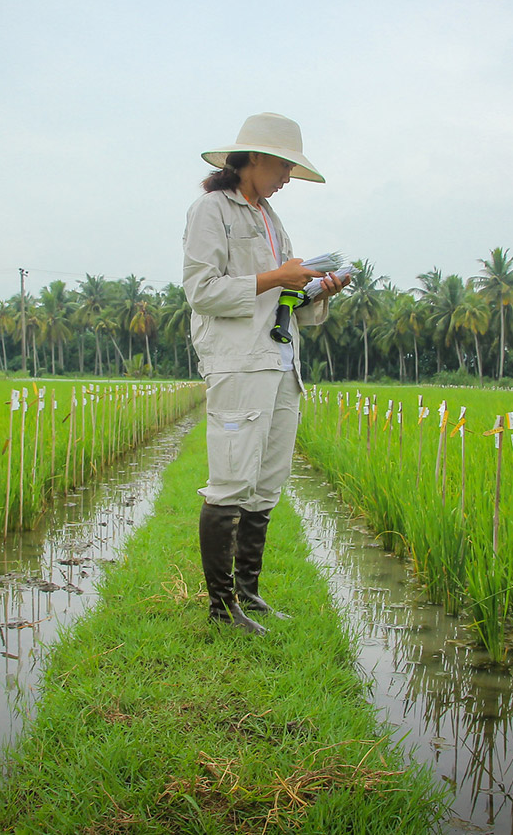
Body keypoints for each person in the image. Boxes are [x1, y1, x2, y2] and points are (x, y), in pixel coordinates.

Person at [181, 112, 348, 634]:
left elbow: (281, 299)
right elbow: (202, 292)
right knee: (230, 480)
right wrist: (278, 275)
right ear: (254, 158)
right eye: (283, 166)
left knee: (266, 483)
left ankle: (248, 593)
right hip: (238, 362)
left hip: (280, 362)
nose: (287, 179)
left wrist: (314, 290)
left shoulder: (271, 219)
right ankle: (219, 607)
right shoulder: (212, 211)